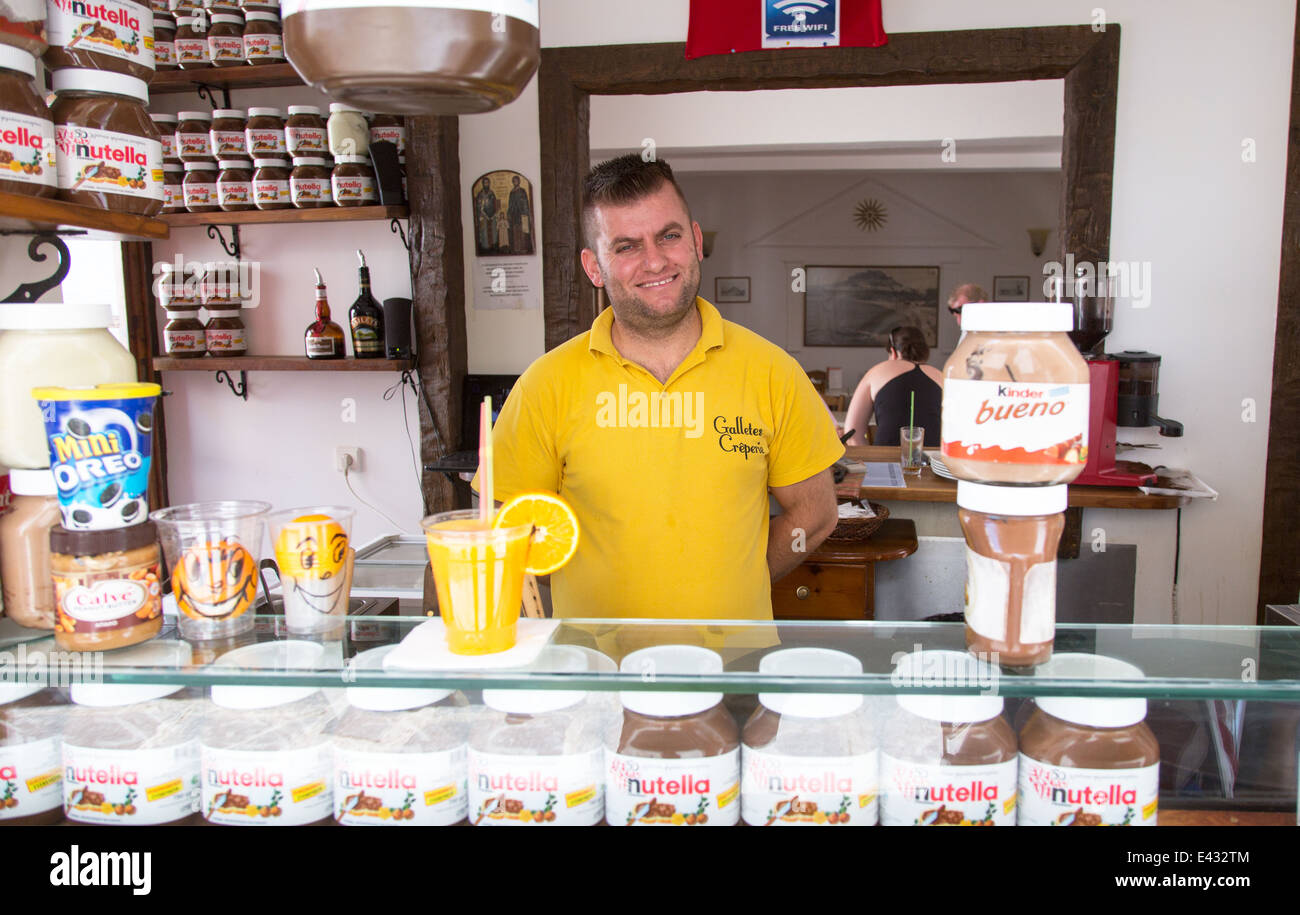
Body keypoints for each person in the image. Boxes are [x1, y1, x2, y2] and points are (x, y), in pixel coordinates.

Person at [482, 154, 844, 620]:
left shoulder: (774, 372)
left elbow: (815, 516)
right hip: (597, 674)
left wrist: (736, 584)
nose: (654, 261)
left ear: (694, 240)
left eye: (668, 236)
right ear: (594, 268)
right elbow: (512, 535)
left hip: (731, 671)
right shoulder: (544, 384)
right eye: (627, 246)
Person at [844, 326, 943, 447]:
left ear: (894, 352)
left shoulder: (876, 372)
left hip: (884, 460)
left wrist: (869, 463)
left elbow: (852, 434)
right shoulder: (940, 377)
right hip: (933, 462)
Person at [507, 175, 533, 254]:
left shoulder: (522, 191)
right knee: (515, 230)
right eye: (514, 181)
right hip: (514, 214)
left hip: (522, 213)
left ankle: (523, 247)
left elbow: (525, 202)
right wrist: (509, 212)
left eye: (516, 181)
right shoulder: (511, 192)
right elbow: (510, 204)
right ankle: (516, 248)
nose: (515, 182)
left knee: (523, 230)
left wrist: (525, 212)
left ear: (519, 182)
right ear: (512, 182)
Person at [475, 177, 499, 254]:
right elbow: (479, 207)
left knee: (493, 230)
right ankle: (485, 248)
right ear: (483, 184)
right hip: (484, 216)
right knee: (484, 231)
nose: (486, 184)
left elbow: (495, 204)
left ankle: (493, 245)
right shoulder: (480, 194)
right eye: (485, 183)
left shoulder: (492, 193)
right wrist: (486, 216)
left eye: (487, 182)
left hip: (492, 216)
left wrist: (494, 215)